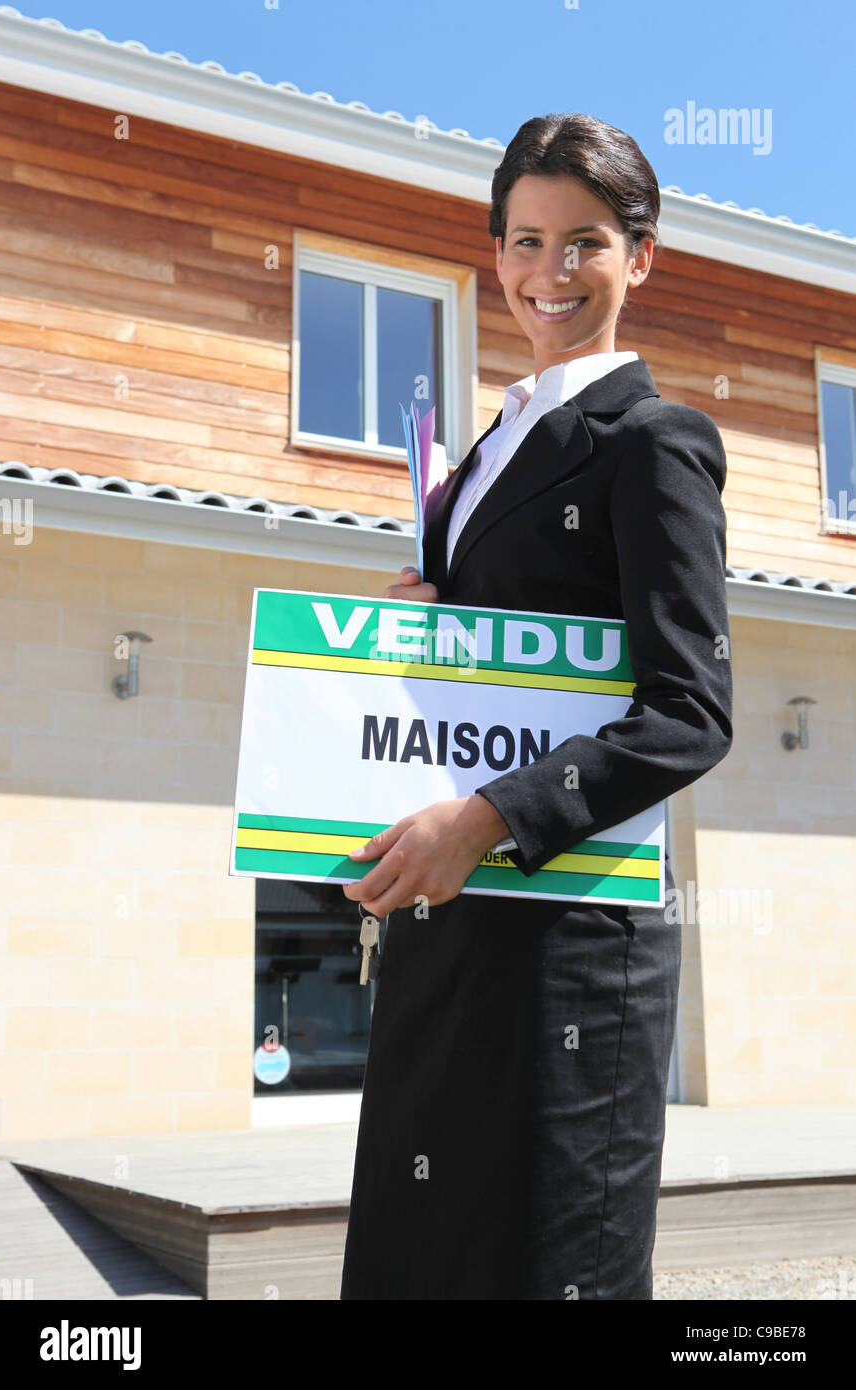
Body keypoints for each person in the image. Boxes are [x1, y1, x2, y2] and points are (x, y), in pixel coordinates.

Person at [339, 111, 733, 1300]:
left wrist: (491, 816)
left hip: (565, 946)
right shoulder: (474, 461)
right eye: (523, 240)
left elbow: (687, 707)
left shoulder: (655, 441)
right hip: (448, 927)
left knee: (538, 1261)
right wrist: (430, 622)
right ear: (495, 251)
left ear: (640, 255)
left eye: (584, 243)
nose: (547, 274)